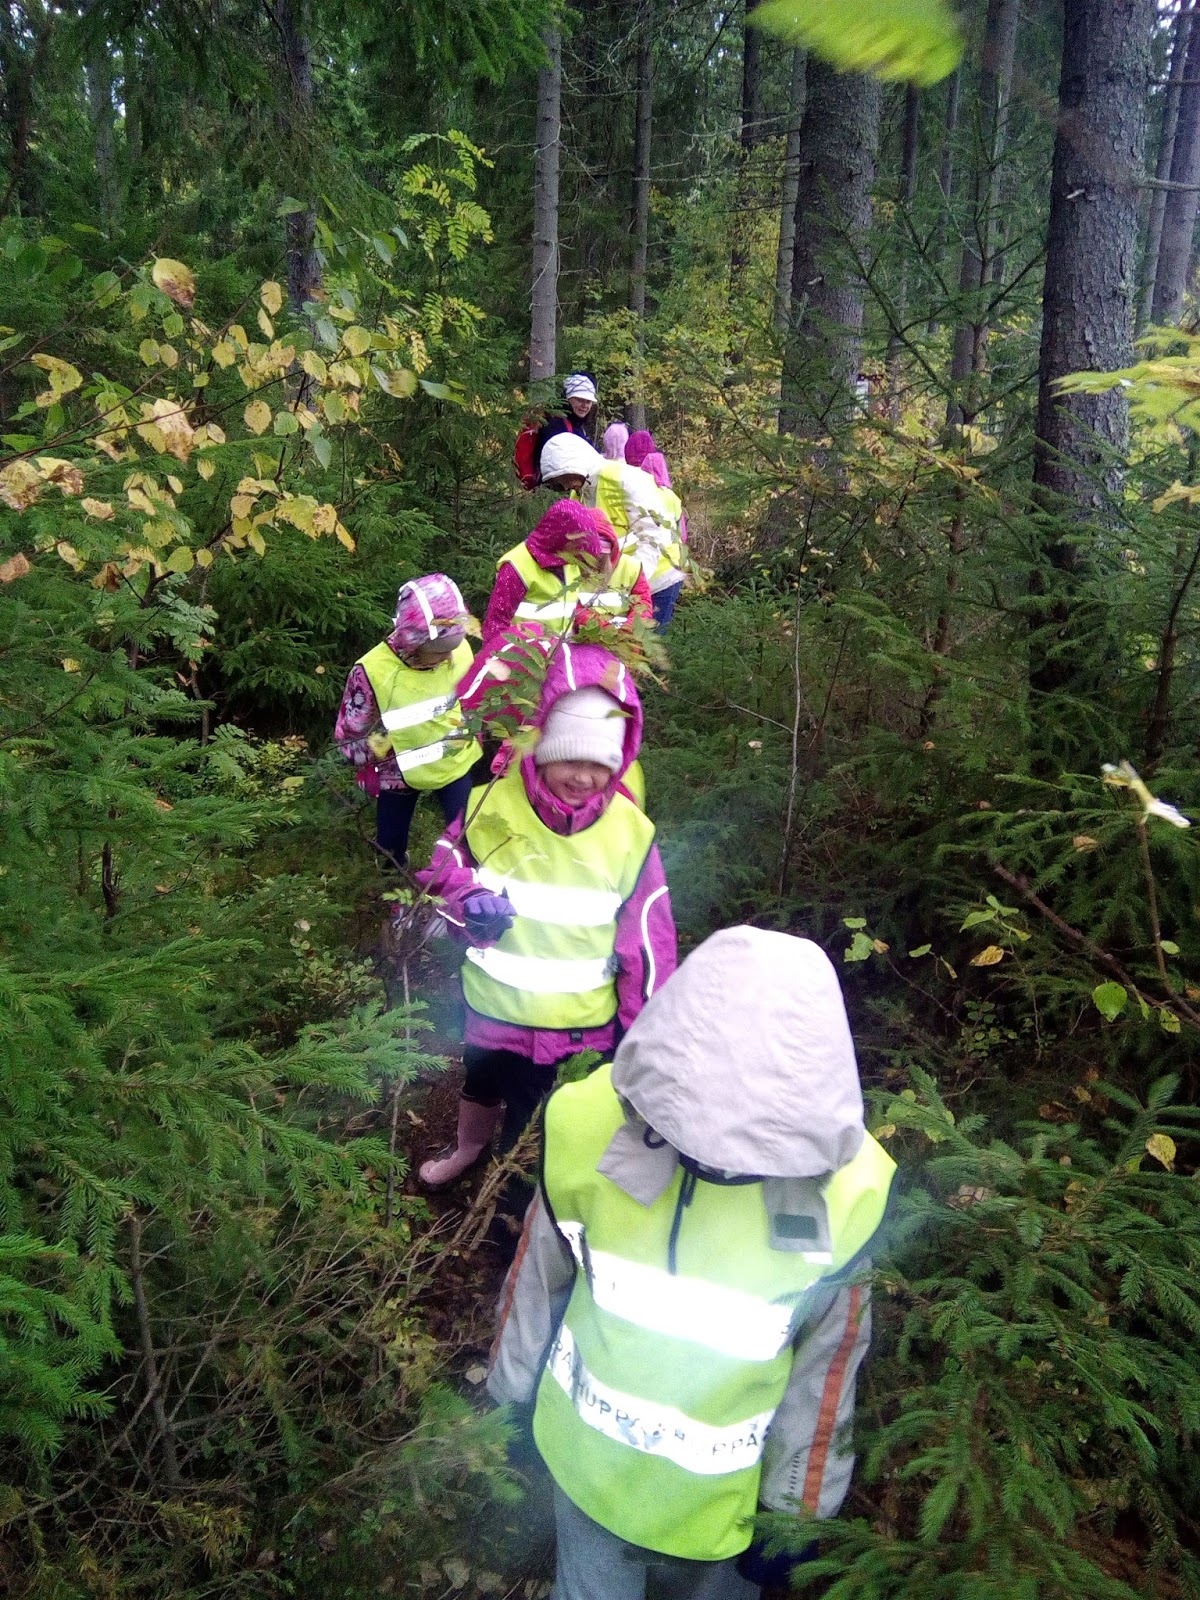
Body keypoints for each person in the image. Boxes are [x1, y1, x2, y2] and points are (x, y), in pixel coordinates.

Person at [487, 925, 897, 1600]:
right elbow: (535, 1281)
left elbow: (826, 1373)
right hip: (589, 1480)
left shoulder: (847, 1198)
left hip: (723, 1520)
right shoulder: (588, 1127)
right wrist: (508, 1399)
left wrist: (795, 1517)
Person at [413, 641, 677, 1186]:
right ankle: (468, 1150)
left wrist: (642, 1028)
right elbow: (443, 867)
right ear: (541, 752)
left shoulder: (630, 836)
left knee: (541, 1125)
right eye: (570, 760)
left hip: (576, 1026)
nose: (584, 778)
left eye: (600, 765)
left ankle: (514, 1216)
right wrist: (467, 901)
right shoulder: (492, 806)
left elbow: (648, 941)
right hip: (493, 1006)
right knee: (480, 1083)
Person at [335, 575, 481, 869]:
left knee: (469, 836)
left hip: (453, 759)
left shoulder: (459, 650)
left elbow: (471, 696)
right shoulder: (373, 671)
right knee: (390, 842)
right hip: (398, 768)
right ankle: (391, 879)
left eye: (454, 645)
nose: (449, 656)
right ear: (413, 643)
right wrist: (374, 756)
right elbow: (351, 734)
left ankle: (467, 888)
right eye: (439, 651)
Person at [538, 433, 685, 634]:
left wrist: (634, 584)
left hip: (657, 578)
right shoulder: (577, 495)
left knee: (646, 647)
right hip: (617, 584)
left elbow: (652, 532)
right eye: (558, 482)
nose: (564, 485)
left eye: (564, 478)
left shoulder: (624, 477)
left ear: (574, 465)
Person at [483, 500, 652, 643]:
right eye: (578, 548)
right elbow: (496, 623)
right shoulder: (517, 567)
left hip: (560, 654)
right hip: (521, 657)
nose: (581, 556)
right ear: (561, 538)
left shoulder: (569, 563)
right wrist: (496, 666)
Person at [514, 374, 602, 492]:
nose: (585, 405)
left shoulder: (575, 425)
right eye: (580, 400)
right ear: (568, 398)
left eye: (588, 401)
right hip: (553, 491)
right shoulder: (556, 424)